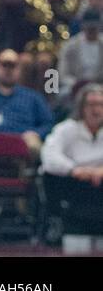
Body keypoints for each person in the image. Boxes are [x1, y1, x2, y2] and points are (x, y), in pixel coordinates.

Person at [40, 83, 103, 224]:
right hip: (71, 183)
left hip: (100, 183)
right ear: (81, 107)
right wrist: (73, 170)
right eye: (91, 105)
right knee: (50, 176)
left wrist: (99, 172)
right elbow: (49, 157)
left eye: (100, 104)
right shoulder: (66, 129)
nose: (96, 110)